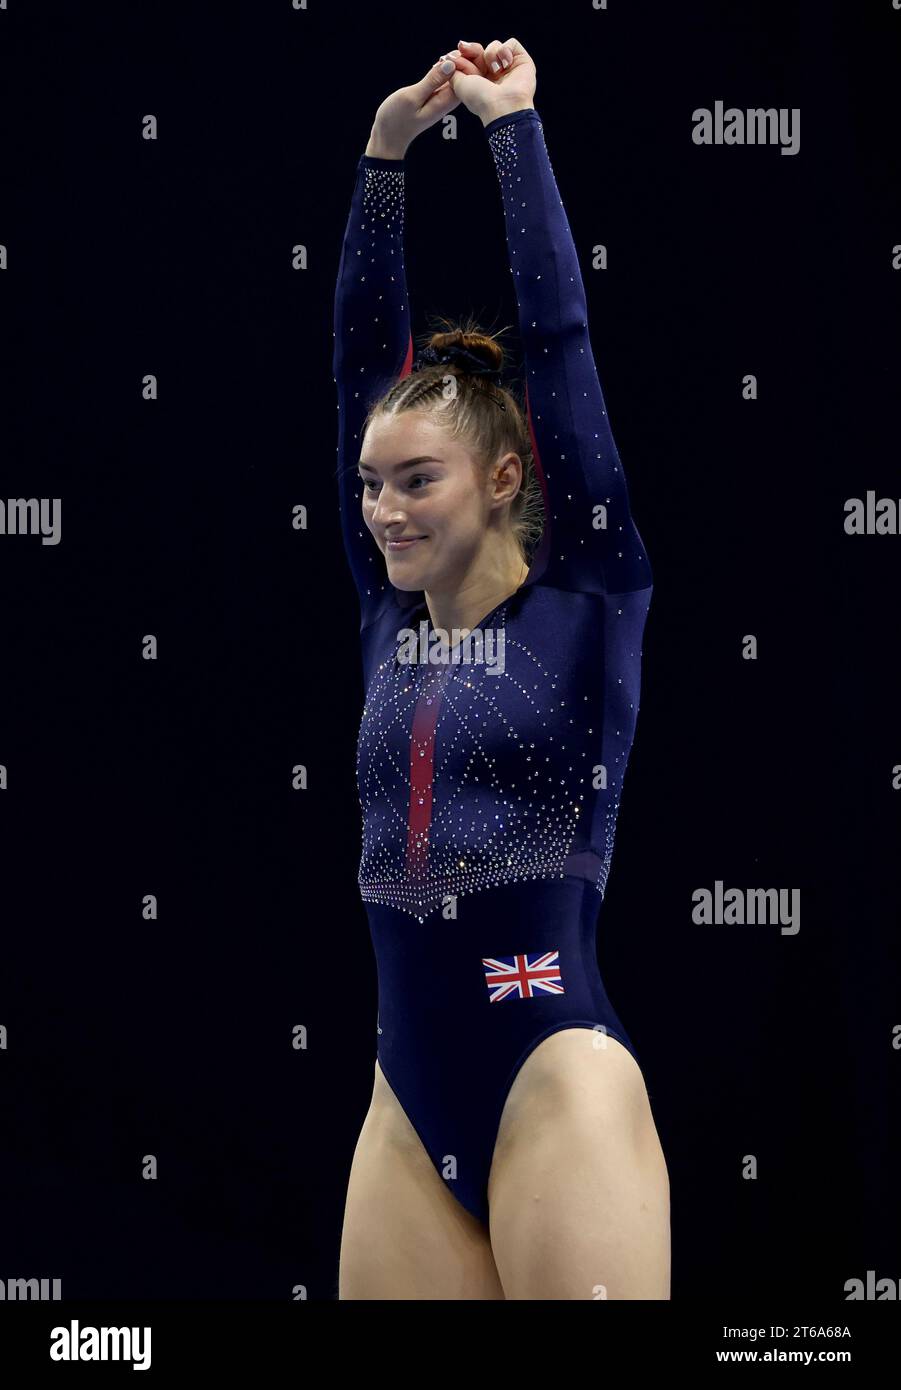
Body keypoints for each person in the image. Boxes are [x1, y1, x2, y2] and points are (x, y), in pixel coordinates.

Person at [332, 36, 670, 1299]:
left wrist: (513, 134)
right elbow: (363, 362)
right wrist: (385, 154)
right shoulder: (387, 609)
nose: (383, 510)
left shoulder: (589, 597)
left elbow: (559, 340)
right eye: (370, 485)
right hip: (405, 1101)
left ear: (508, 479)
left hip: (552, 1076)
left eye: (417, 480)